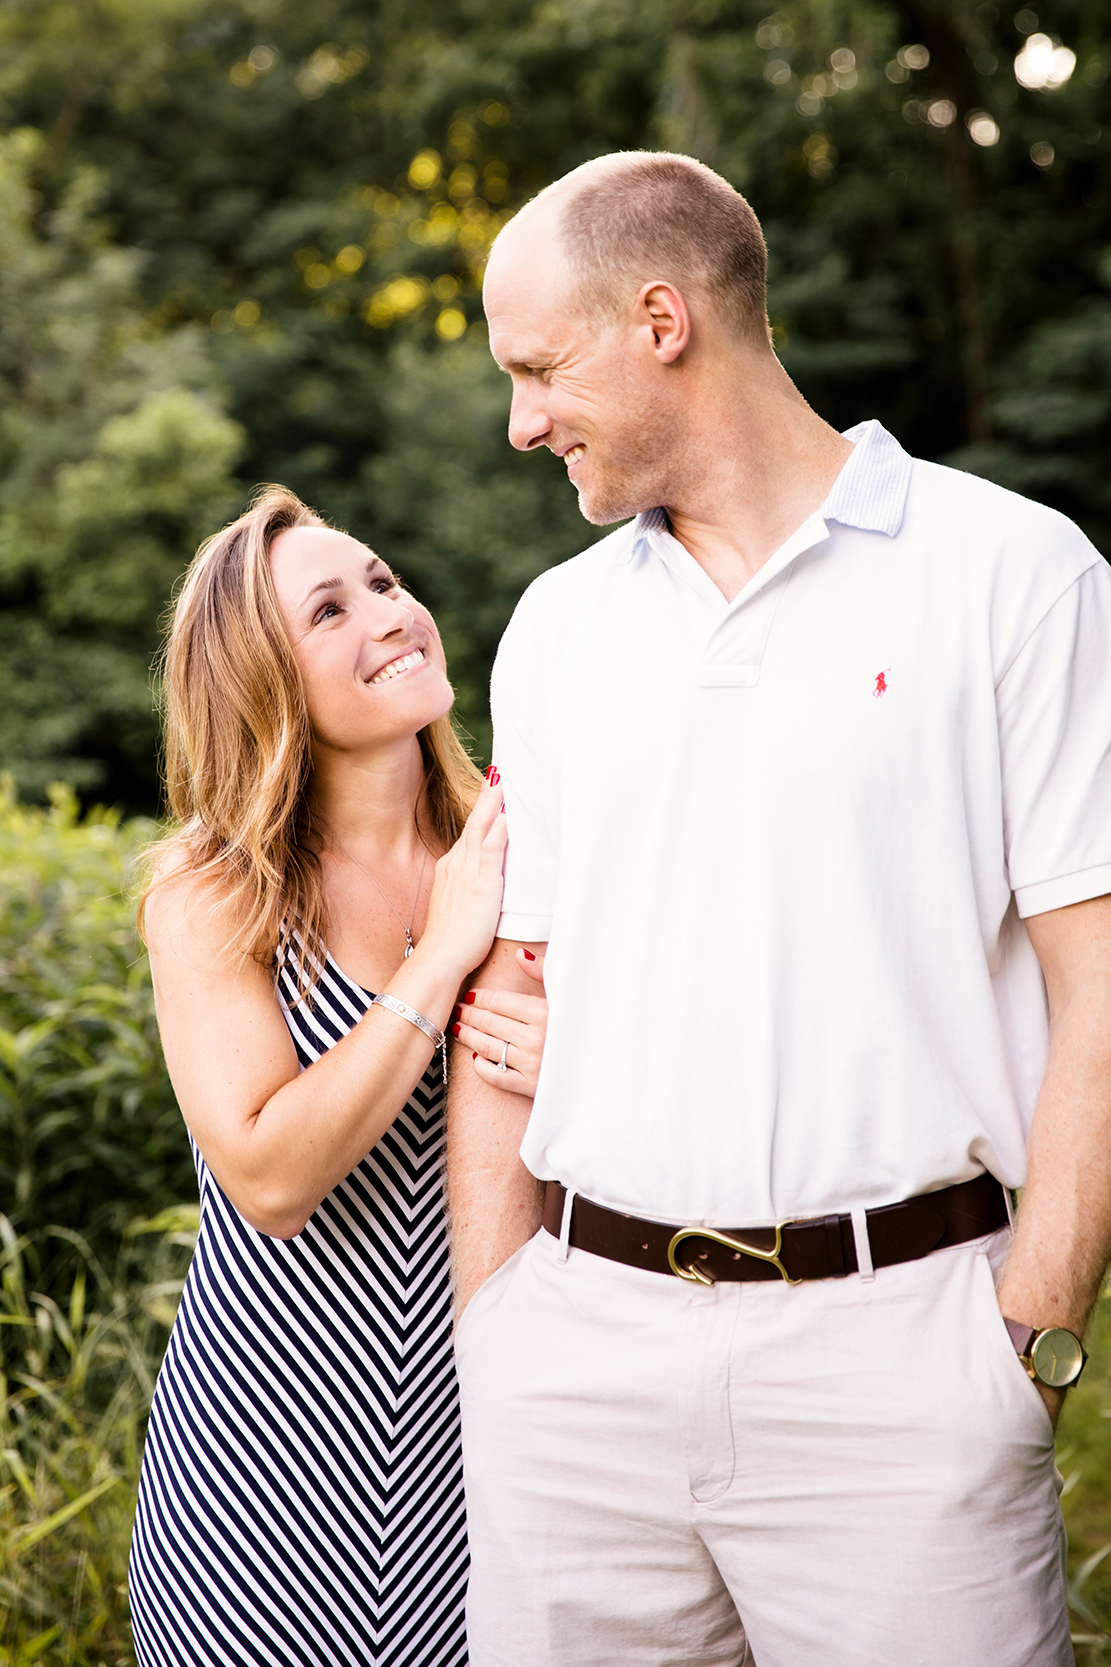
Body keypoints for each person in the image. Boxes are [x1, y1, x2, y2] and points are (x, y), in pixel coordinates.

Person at [445, 151, 1111, 1666]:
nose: (519, 420)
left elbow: (1100, 984)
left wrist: (1030, 1337)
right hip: (577, 1370)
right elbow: (514, 989)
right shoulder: (555, 627)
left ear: (660, 318)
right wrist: (501, 1325)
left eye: (538, 367)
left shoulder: (1013, 575)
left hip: (904, 1364)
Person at [127, 486, 546, 1667]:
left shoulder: (519, 842)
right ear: (263, 682)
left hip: (487, 1444)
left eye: (382, 578)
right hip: (260, 1481)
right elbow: (264, 1172)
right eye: (329, 609)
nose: (389, 611)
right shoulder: (214, 891)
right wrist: (440, 955)